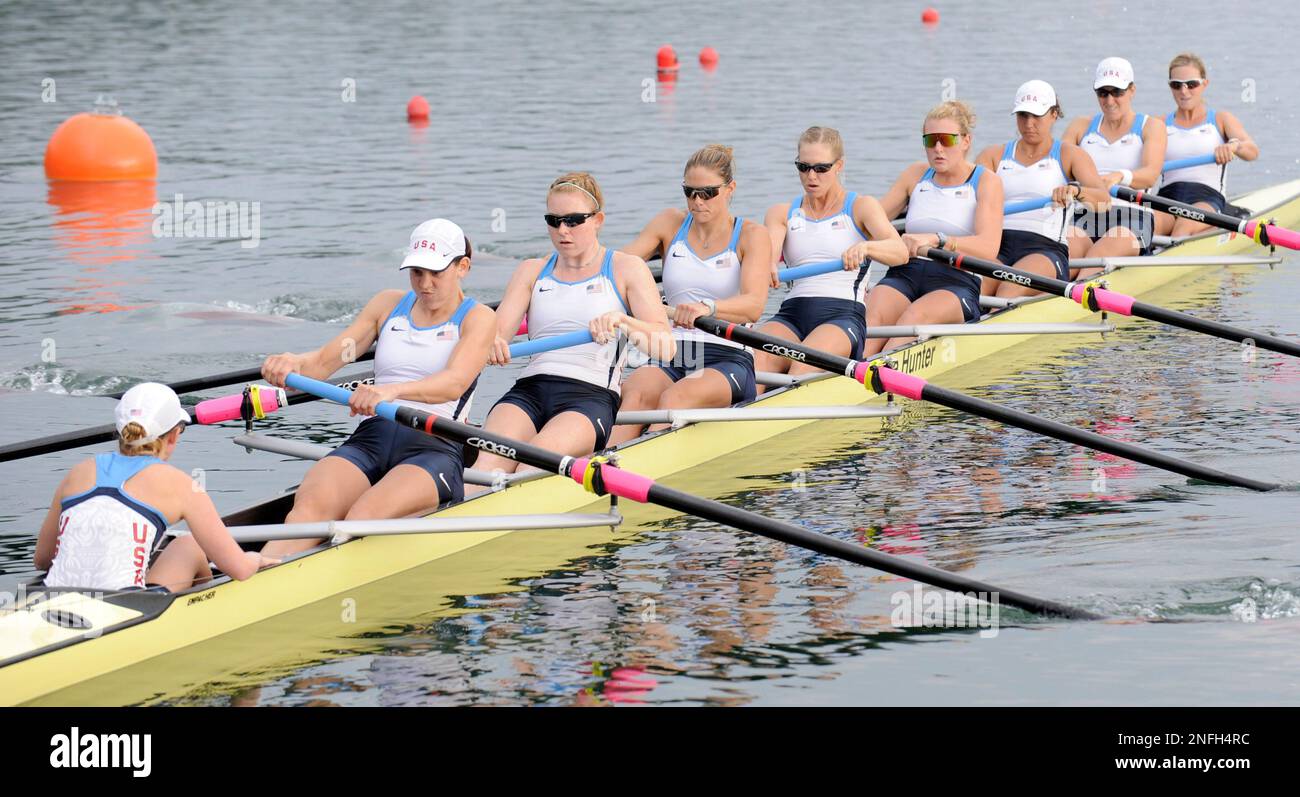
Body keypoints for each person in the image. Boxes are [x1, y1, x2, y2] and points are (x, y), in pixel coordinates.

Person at [260, 218, 494, 556]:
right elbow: (326, 362)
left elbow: (454, 384)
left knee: (362, 520)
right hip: (371, 439)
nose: (425, 285)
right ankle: (257, 576)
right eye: (416, 272)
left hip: (434, 448)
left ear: (463, 267)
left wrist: (392, 391)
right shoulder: (387, 305)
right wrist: (293, 363)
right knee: (308, 512)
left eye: (436, 273)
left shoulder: (478, 318)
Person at [469, 173, 674, 478]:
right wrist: (491, 343)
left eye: (574, 220)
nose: (562, 230)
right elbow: (495, 336)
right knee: (485, 468)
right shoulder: (531, 270)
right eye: (553, 221)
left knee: (530, 468)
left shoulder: (626, 268)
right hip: (528, 390)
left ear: (598, 220)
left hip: (589, 397)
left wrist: (623, 321)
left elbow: (666, 348)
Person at [34, 382, 275, 591]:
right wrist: (254, 558)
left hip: (53, 597)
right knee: (189, 545)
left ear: (120, 431)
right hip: (125, 609)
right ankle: (200, 613)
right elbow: (240, 570)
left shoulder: (78, 472)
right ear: (174, 436)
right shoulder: (182, 486)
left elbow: (43, 560)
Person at [609, 144, 770, 443]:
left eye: (707, 193)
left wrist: (707, 308)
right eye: (689, 192)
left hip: (728, 356)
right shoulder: (670, 223)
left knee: (675, 398)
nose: (697, 202)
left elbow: (754, 305)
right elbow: (616, 266)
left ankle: (640, 467)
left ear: (730, 188)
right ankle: (602, 466)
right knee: (634, 396)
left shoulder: (751, 235)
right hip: (671, 350)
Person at [752, 127, 907, 389]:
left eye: (821, 168)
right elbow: (768, 255)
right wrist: (765, 266)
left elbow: (900, 253)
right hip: (790, 315)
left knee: (799, 370)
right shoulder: (781, 213)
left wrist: (867, 248)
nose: (811, 176)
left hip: (842, 316)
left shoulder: (861, 207)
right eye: (803, 167)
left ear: (839, 166)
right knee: (753, 364)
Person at [864, 101, 1004, 355]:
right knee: (871, 320)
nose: (938, 149)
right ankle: (849, 376)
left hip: (956, 279)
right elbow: (870, 221)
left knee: (912, 319)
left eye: (946, 140)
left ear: (965, 141)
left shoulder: (985, 181)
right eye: (930, 141)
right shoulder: (915, 175)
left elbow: (988, 247)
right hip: (904, 273)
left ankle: (879, 374)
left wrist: (939, 240)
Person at [976, 80, 1108, 299]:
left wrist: (1075, 191)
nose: (1029, 124)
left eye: (1037, 116)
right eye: (1023, 115)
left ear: (1054, 114)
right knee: (975, 286)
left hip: (1045, 249)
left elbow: (1103, 201)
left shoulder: (1070, 155)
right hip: (996, 245)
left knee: (1009, 288)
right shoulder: (992, 156)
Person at [1062, 57, 1167, 275]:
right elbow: (1059, 169)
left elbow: (1150, 175)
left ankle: (1078, 295)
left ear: (1132, 90)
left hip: (1132, 218)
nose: (1109, 100)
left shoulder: (1151, 126)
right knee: (1064, 255)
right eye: (1103, 93)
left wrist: (1119, 176)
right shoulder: (1080, 126)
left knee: (1096, 258)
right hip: (1085, 215)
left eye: (1117, 92)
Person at [1156, 52, 1259, 237]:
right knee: (1141, 227)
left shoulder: (1220, 120)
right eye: (1176, 85)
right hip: (1165, 198)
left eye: (1192, 84)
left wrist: (1233, 146)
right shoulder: (1158, 124)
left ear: (1205, 84)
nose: (1184, 91)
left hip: (1206, 198)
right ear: (1170, 86)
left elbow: (1252, 151)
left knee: (1182, 228)